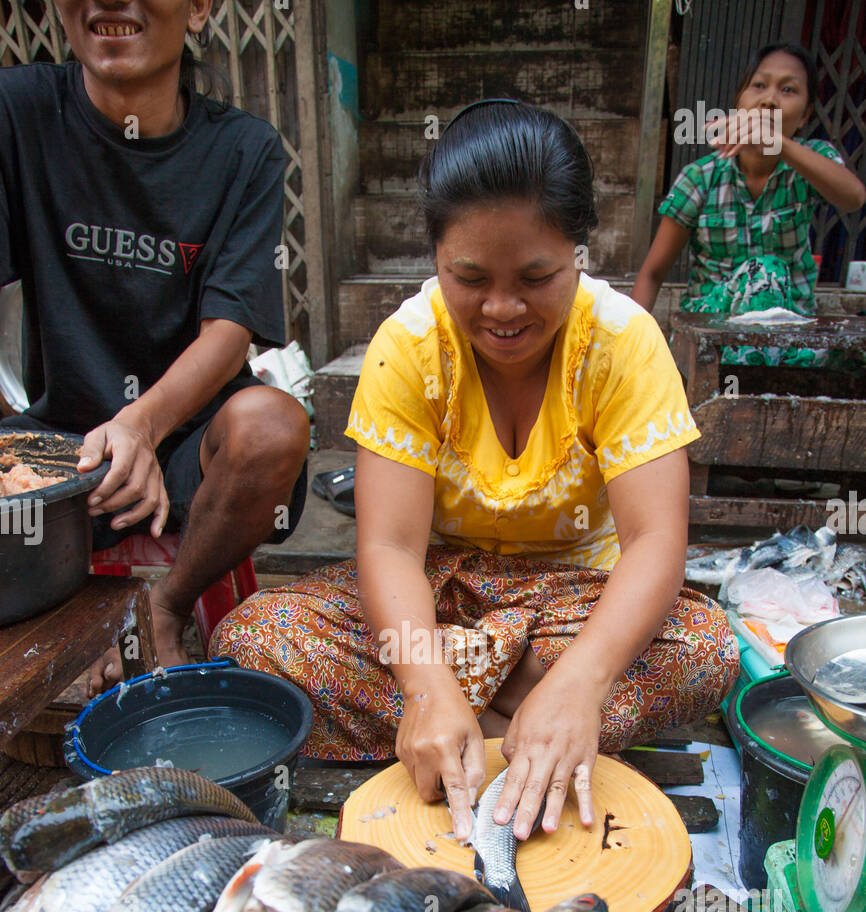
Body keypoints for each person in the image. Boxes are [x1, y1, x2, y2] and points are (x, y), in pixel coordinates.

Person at [213, 100, 739, 842]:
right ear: (435, 258)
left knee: (707, 649)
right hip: (440, 596)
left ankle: (505, 724)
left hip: (572, 606)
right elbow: (391, 548)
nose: (501, 308)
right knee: (254, 638)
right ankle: (514, 728)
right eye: (469, 276)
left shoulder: (624, 342)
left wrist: (582, 681)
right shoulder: (409, 346)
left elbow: (655, 542)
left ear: (580, 253)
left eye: (536, 276)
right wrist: (424, 682)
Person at [0, 0, 310, 690]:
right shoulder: (17, 111)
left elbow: (229, 332)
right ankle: (60, 628)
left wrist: (140, 427)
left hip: (183, 437)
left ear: (199, 9)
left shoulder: (244, 150)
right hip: (54, 442)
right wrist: (17, 464)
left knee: (271, 426)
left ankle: (165, 607)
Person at [632, 43, 866, 365]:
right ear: (739, 101)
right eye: (759, 85)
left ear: (806, 114)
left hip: (789, 334)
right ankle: (747, 392)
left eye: (788, 89)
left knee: (854, 355)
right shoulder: (701, 178)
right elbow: (652, 273)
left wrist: (779, 144)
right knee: (764, 273)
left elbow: (854, 197)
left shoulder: (808, 165)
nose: (769, 99)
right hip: (709, 336)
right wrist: (630, 352)